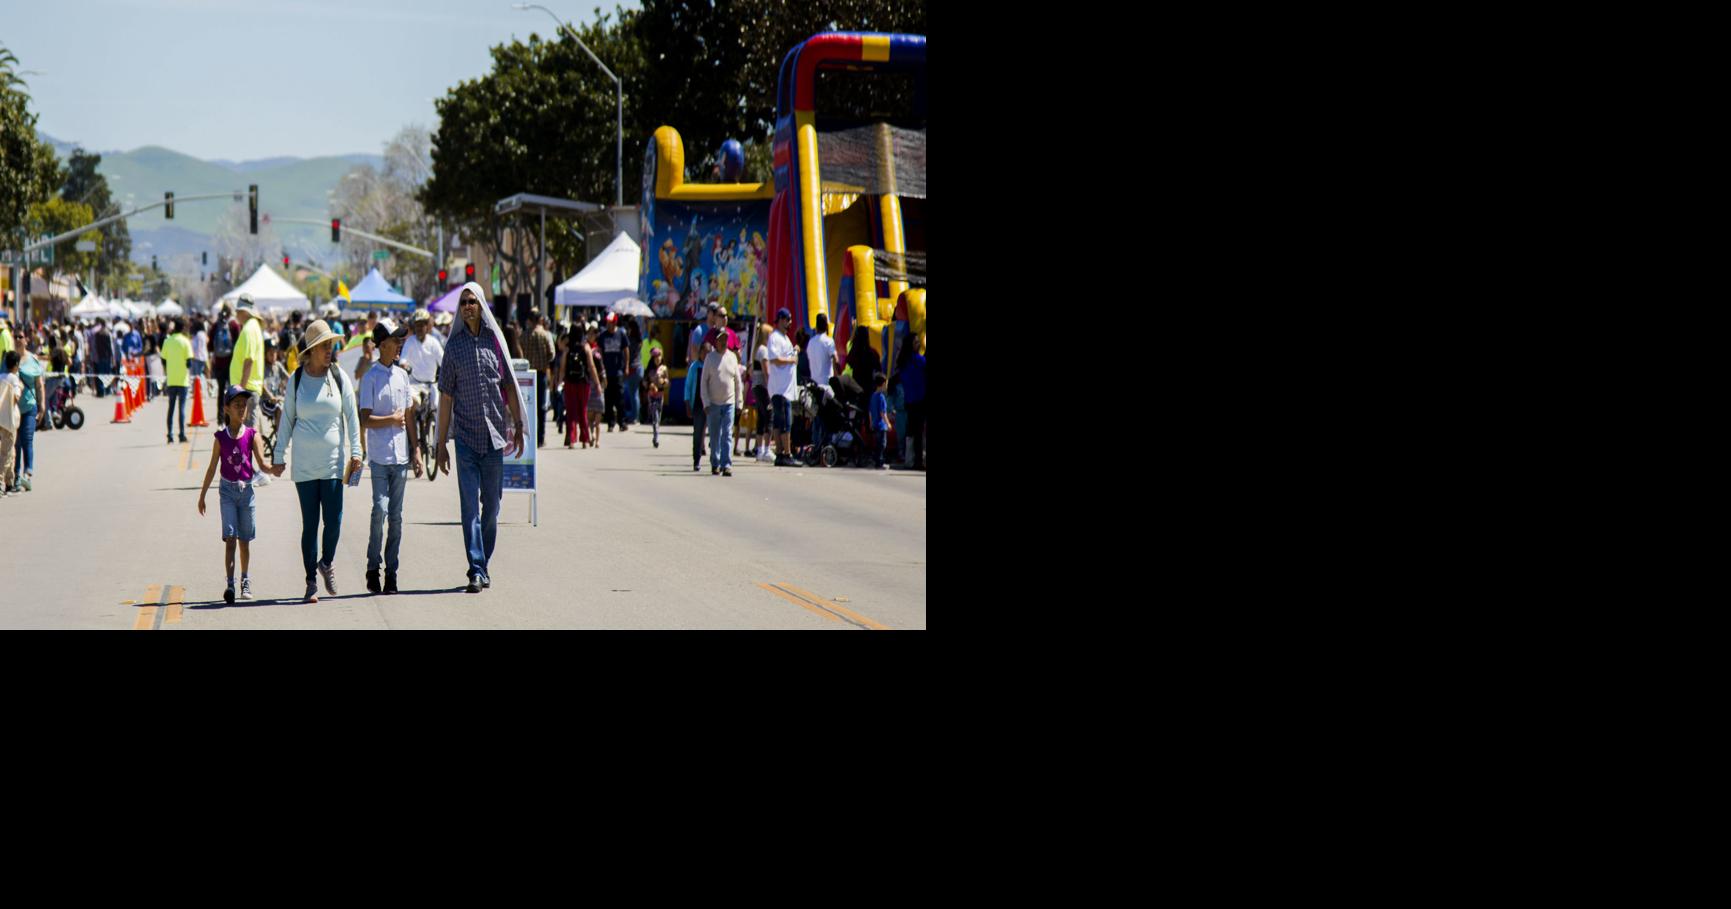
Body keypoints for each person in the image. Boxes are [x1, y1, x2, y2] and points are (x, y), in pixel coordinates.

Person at [435, 283, 527, 594]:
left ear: (482, 305)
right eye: (463, 303)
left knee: (492, 507)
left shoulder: (494, 343)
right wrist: (439, 445)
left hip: (495, 439)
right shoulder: (454, 348)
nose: (468, 307)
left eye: (472, 301)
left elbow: (510, 387)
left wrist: (518, 424)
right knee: (469, 509)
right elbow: (446, 398)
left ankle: (483, 563)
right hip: (465, 439)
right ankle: (475, 568)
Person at [267, 320, 362, 604]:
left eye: (331, 345)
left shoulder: (339, 377)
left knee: (334, 521)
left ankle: (326, 562)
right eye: (323, 346)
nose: (329, 350)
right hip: (305, 465)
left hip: (334, 463)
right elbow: (286, 420)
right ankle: (311, 581)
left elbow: (352, 416)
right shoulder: (297, 380)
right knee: (310, 524)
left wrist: (356, 451)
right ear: (310, 351)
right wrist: (278, 455)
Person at [358, 318, 421, 595]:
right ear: (382, 345)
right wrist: (390, 419)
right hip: (380, 457)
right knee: (379, 510)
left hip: (401, 457)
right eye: (395, 341)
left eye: (400, 341)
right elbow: (365, 419)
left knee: (396, 516)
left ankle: (392, 573)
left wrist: (416, 449)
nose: (399, 346)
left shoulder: (403, 376)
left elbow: (409, 415)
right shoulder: (370, 377)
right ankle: (373, 567)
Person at [197, 386, 271, 603]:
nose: (241, 409)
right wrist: (202, 496)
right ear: (226, 408)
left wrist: (273, 468)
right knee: (230, 538)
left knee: (244, 540)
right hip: (227, 491)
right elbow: (212, 468)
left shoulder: (252, 435)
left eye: (244, 405)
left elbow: (262, 463)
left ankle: (245, 579)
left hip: (246, 491)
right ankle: (230, 583)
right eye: (236, 405)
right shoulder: (220, 438)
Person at [700, 326, 742, 476]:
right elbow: (703, 382)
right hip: (713, 404)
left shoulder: (732, 357)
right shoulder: (710, 359)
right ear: (715, 342)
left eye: (725, 339)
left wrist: (739, 402)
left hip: (729, 402)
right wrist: (705, 402)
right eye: (720, 339)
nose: (723, 342)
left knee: (727, 434)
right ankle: (715, 462)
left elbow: (738, 381)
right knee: (715, 435)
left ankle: (727, 464)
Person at [555, 319, 601, 448]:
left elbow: (563, 368)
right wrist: (597, 383)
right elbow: (591, 366)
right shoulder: (585, 347)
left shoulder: (568, 348)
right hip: (583, 382)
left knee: (571, 411)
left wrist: (559, 382)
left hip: (570, 382)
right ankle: (585, 440)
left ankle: (572, 441)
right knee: (582, 410)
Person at [766, 308, 799, 467]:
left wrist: (795, 352)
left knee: (780, 422)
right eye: (787, 319)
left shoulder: (785, 338)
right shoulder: (775, 337)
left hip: (785, 388)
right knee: (785, 423)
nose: (789, 322)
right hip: (780, 388)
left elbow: (787, 355)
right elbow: (775, 359)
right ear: (779, 319)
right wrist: (791, 360)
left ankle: (780, 454)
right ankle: (786, 453)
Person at [13, 336, 44, 491]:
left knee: (27, 438)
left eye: (21, 337)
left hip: (29, 406)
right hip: (13, 409)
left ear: (26, 340)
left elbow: (39, 385)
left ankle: (28, 473)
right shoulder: (9, 359)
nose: (18, 339)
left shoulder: (33, 359)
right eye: (15, 337)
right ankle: (16, 475)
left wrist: (42, 404)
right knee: (15, 443)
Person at [524, 311, 556, 447]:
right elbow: (552, 354)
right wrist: (545, 362)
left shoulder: (524, 335)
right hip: (541, 373)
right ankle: (541, 438)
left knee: (528, 406)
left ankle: (529, 437)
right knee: (541, 407)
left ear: (530, 320)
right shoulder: (545, 334)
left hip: (527, 374)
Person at [806, 313, 837, 446]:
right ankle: (826, 445)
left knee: (816, 417)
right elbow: (835, 359)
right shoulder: (829, 341)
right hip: (826, 384)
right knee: (828, 418)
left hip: (814, 384)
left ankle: (815, 445)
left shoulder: (811, 342)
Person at [161, 319, 193, 444]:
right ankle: (182, 434)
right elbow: (189, 362)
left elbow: (163, 359)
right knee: (182, 408)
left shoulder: (167, 341)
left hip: (171, 379)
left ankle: (169, 435)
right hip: (183, 380)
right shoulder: (185, 341)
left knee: (171, 408)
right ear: (183, 328)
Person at [598, 312, 629, 432]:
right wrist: (601, 369)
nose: (608, 324)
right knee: (608, 399)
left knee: (620, 398)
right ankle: (610, 423)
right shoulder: (603, 336)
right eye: (607, 322)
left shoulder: (621, 334)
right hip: (607, 372)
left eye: (610, 322)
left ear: (615, 322)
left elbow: (626, 350)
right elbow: (600, 352)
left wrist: (626, 366)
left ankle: (622, 422)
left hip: (618, 372)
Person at [0, 352, 19, 498]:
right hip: (9, 420)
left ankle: (10, 482)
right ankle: (1, 482)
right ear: (16, 365)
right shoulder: (14, 379)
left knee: (9, 451)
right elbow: (16, 397)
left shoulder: (0, 377)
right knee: (7, 452)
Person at [644, 346, 668, 448]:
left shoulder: (664, 369)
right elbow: (644, 382)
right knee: (655, 417)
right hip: (652, 395)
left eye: (659, 356)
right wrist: (650, 385)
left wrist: (664, 382)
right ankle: (656, 437)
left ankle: (655, 435)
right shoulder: (649, 370)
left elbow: (667, 381)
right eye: (655, 357)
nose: (657, 359)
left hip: (660, 395)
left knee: (659, 416)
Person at [586, 324, 605, 446]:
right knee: (590, 416)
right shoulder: (587, 349)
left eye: (594, 334)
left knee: (596, 416)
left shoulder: (596, 350)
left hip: (596, 383)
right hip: (590, 383)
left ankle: (596, 439)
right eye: (591, 333)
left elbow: (601, 368)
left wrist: (603, 381)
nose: (593, 336)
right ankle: (592, 435)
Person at [870, 373, 890, 469]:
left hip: (874, 424)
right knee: (882, 444)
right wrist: (888, 423)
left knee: (877, 444)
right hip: (881, 425)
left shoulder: (873, 396)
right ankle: (880, 462)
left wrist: (871, 422)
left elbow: (870, 411)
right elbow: (883, 413)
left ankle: (877, 461)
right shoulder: (881, 397)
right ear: (883, 384)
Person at [190, 317, 209, 386]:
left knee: (197, 375)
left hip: (198, 357)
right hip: (201, 357)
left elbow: (198, 347)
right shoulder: (203, 334)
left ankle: (199, 388)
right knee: (198, 375)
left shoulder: (199, 334)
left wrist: (194, 356)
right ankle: (198, 388)